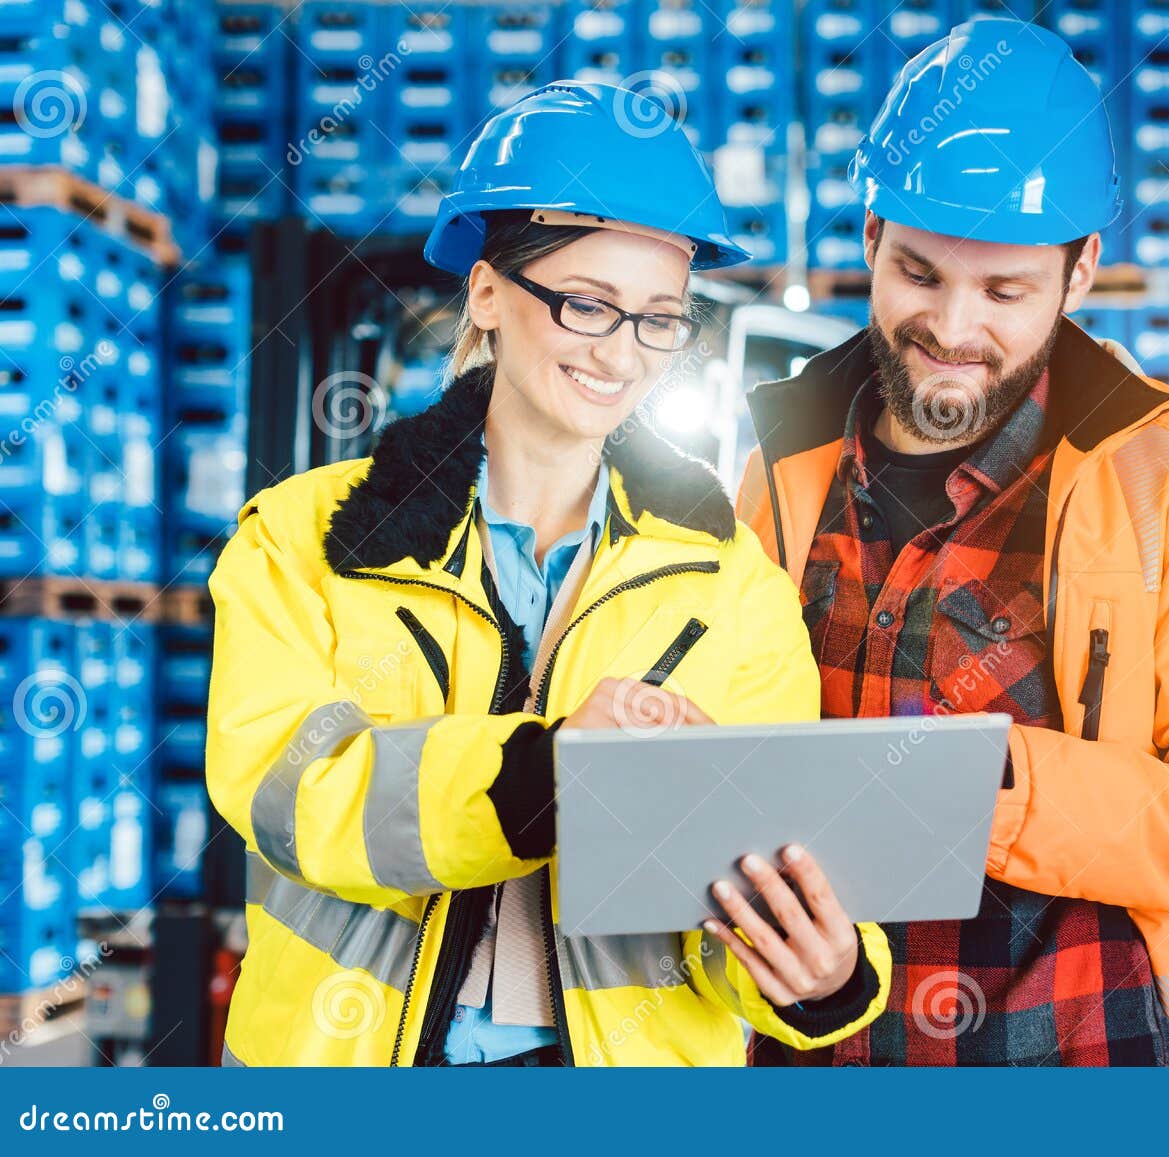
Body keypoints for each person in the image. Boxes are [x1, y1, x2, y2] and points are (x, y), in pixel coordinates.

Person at [205, 81, 890, 1067]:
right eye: (585, 303)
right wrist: (543, 772)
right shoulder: (303, 539)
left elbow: (746, 884)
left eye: (660, 318)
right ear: (486, 291)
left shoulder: (729, 583)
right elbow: (285, 794)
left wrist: (821, 969)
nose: (623, 352)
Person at [737, 19, 1169, 1067]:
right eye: (919, 272)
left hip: (1087, 1056)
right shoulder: (778, 477)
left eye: (1004, 291)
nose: (952, 327)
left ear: (1080, 270)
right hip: (819, 1051)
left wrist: (996, 788)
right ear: (871, 236)